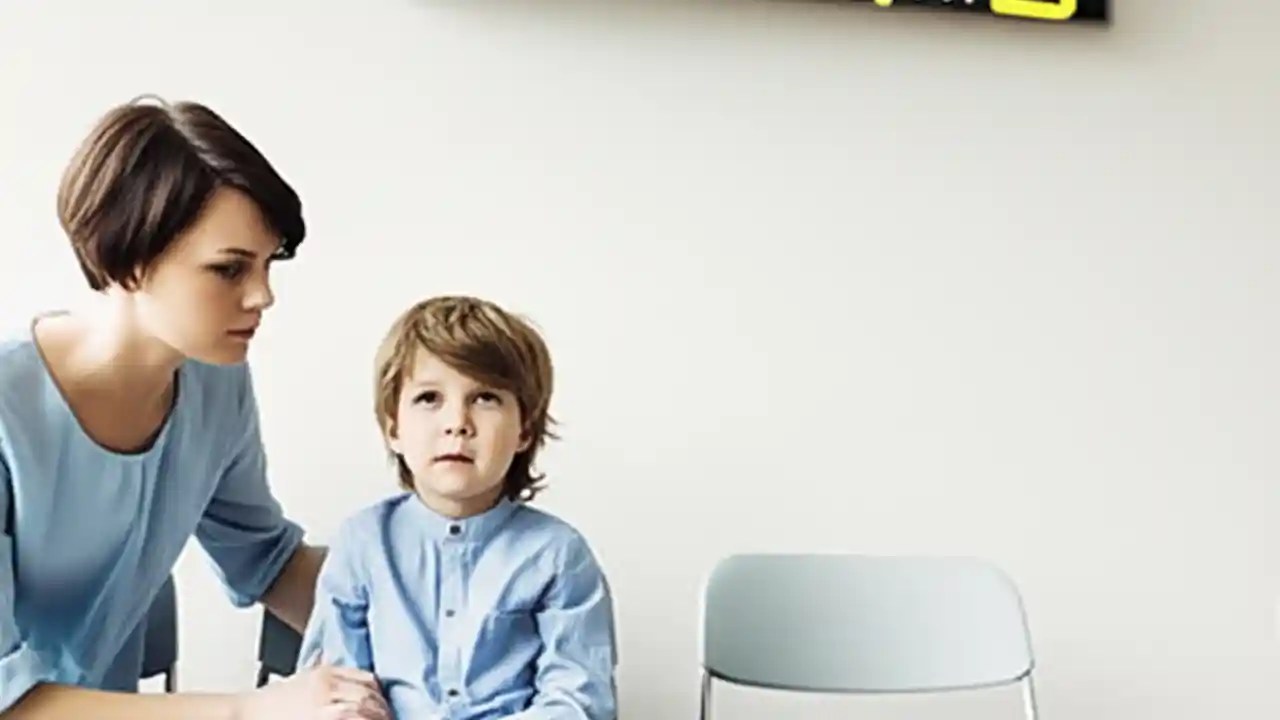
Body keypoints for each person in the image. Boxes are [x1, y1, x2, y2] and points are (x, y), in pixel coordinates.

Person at [0, 96, 390, 720]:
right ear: (128, 260)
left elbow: (267, 561)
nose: (263, 295)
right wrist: (253, 710)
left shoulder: (215, 383)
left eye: (267, 266)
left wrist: (452, 592)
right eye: (229, 269)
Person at [296, 295, 618, 719]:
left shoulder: (559, 556)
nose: (457, 423)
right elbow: (334, 690)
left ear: (524, 430)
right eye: (429, 398)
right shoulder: (362, 543)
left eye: (485, 398)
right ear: (394, 428)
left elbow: (580, 703)